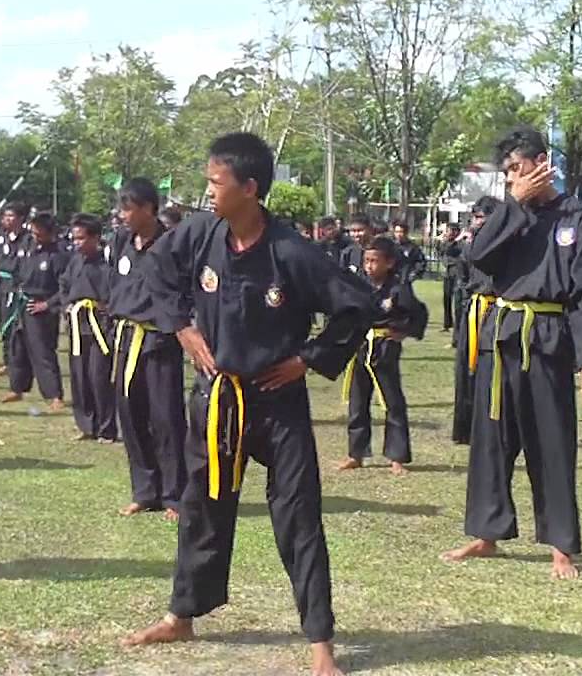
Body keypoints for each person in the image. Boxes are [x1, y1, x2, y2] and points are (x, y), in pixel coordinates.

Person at [123, 133, 376, 676]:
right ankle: (182, 615)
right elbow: (155, 274)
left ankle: (320, 644)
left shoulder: (293, 252)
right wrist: (184, 330)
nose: (208, 190)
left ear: (250, 188)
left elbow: (358, 305)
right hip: (218, 402)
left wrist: (308, 358)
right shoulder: (199, 234)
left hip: (278, 403)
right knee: (202, 509)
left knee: (298, 517)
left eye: (217, 181)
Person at [441, 126, 582, 581]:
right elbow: (479, 258)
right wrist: (514, 205)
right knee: (491, 440)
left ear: (543, 161)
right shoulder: (507, 214)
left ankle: (561, 545)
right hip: (503, 333)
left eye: (520, 167)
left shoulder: (578, 217)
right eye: (508, 171)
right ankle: (486, 532)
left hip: (549, 336)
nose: (514, 176)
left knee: (550, 442)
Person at [109, 178, 187, 520]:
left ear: (147, 208)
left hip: (159, 342)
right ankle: (145, 491)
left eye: (127, 208)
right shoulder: (121, 242)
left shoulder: (171, 245)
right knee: (132, 416)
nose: (122, 214)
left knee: (166, 420)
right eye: (121, 207)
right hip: (127, 340)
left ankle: (175, 495)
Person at [338, 236, 427, 475]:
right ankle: (356, 453)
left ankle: (396, 456)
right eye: (366, 260)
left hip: (385, 347)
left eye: (374, 261)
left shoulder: (399, 289)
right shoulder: (358, 284)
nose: (369, 266)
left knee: (392, 402)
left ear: (388, 263)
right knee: (358, 401)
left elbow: (419, 314)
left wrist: (404, 332)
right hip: (360, 346)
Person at [1, 212, 69, 410]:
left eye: (39, 234)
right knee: (17, 348)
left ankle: (55, 395)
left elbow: (64, 287)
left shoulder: (59, 256)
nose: (35, 238)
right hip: (22, 304)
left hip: (43, 308)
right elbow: (17, 271)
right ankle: (17, 388)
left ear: (50, 233)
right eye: (33, 233)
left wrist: (47, 305)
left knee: (43, 352)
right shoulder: (28, 249)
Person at [61, 213, 117, 443]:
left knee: (99, 376)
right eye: (74, 239)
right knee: (80, 376)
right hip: (77, 324)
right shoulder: (74, 261)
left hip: (99, 327)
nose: (77, 243)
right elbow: (64, 284)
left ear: (95, 238)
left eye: (81, 238)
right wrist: (66, 305)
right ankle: (86, 424)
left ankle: (106, 428)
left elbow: (115, 293)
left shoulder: (107, 264)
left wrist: (105, 309)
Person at [451, 198, 498, 445]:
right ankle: (465, 428)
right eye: (476, 217)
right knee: (466, 370)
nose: (479, 222)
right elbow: (463, 276)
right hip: (474, 310)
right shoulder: (469, 246)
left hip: (498, 310)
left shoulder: (504, 242)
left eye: (483, 217)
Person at [0, 203, 34, 375]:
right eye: (5, 216)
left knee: (16, 324)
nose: (7, 219)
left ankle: (20, 363)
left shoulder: (27, 239)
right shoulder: (1, 236)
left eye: (11, 216)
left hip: (17, 286)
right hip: (2, 283)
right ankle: (7, 361)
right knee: (4, 322)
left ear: (21, 219)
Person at [440, 222, 464, 333]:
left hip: (457, 273)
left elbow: (452, 251)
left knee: (458, 301)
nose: (447, 233)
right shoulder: (445, 243)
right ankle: (447, 323)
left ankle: (458, 325)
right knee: (446, 298)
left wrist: (456, 240)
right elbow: (441, 251)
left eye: (449, 231)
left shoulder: (460, 244)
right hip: (447, 273)